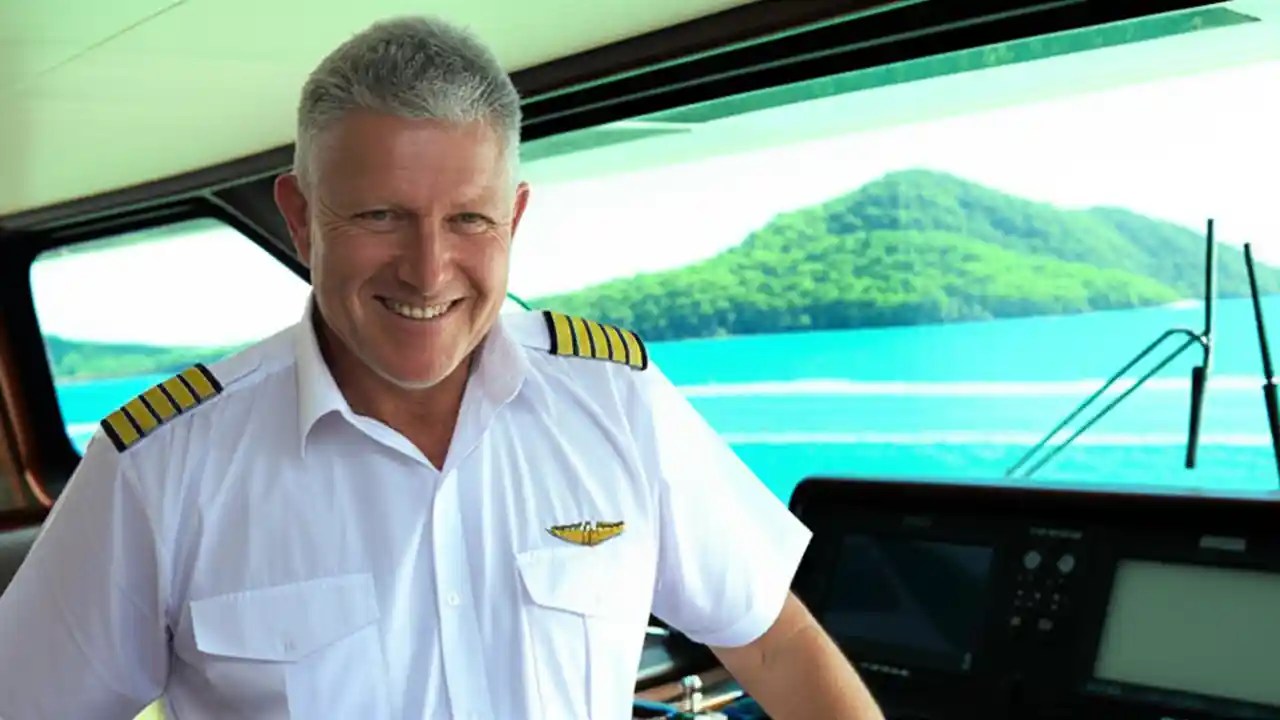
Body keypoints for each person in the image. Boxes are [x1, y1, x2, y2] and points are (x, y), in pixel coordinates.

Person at [0, 15, 884, 720]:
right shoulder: (162, 468)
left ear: (514, 218)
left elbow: (771, 643)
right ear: (301, 218)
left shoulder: (619, 402)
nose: (428, 272)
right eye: (379, 216)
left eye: (468, 220)